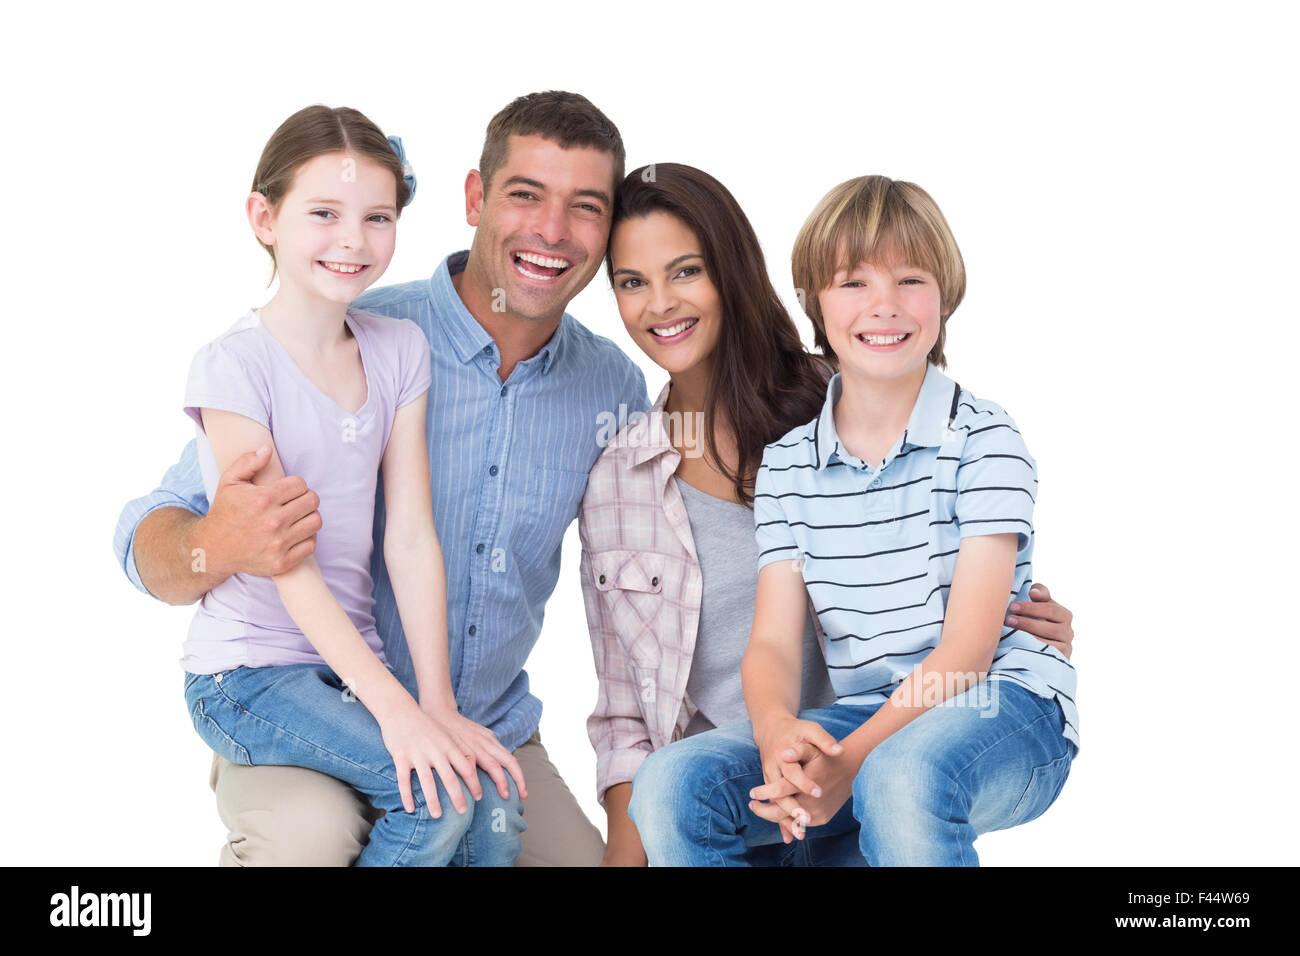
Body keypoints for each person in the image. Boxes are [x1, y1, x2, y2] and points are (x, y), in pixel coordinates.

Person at [112, 92, 649, 866]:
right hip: (308, 699)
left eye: (585, 207)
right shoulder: (350, 329)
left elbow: (628, 608)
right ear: (474, 197)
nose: (553, 231)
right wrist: (211, 544)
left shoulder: (611, 390)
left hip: (484, 722)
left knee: (500, 826)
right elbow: (156, 528)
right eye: (526, 195)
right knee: (308, 843)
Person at [583, 165, 1077, 866]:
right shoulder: (781, 459)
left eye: (686, 270)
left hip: (929, 730)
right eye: (632, 280)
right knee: (671, 783)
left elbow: (966, 644)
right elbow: (758, 653)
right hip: (807, 759)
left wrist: (1026, 623)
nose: (661, 302)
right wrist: (779, 729)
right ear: (817, 299)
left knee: (900, 776)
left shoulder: (902, 405)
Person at [178, 104, 526, 866]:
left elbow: (408, 535)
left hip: (347, 665)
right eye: (324, 214)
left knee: (490, 794)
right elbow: (283, 558)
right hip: (249, 673)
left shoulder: (399, 348)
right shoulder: (232, 366)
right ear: (263, 218)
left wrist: (434, 703)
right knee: (434, 791)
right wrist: (397, 712)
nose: (352, 240)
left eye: (377, 217)